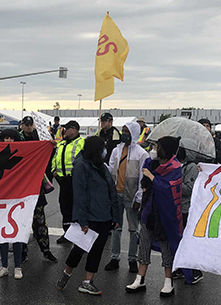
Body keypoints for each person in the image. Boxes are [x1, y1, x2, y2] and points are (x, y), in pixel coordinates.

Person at [56, 136, 122, 295]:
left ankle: (87, 281)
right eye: (102, 148)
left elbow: (111, 191)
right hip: (89, 217)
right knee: (80, 248)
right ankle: (67, 273)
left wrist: (116, 216)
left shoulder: (102, 166)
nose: (105, 151)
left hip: (104, 216)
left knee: (97, 250)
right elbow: (79, 196)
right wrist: (82, 220)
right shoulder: (81, 167)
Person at [125, 137, 183, 297]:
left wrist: (152, 177)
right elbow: (145, 183)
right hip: (148, 210)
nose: (154, 149)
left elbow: (168, 188)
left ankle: (168, 282)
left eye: (158, 147)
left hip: (165, 214)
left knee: (166, 248)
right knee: (143, 245)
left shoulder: (174, 167)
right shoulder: (151, 163)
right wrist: (146, 182)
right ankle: (140, 279)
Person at [103, 122, 149, 272]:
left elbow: (144, 178)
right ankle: (114, 257)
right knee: (116, 227)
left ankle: (132, 259)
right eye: (122, 131)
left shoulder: (141, 153)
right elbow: (111, 169)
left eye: (126, 131)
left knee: (133, 229)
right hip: (116, 194)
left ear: (134, 133)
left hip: (131, 196)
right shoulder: (117, 150)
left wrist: (139, 198)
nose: (124, 134)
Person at [18, 116, 58, 263]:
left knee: (40, 220)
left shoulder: (41, 138)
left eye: (30, 125)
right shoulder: (17, 138)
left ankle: (46, 250)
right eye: (26, 125)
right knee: (21, 222)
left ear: (33, 126)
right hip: (21, 186)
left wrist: (52, 147)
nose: (28, 127)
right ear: (22, 126)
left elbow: (50, 156)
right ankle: (22, 252)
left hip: (36, 184)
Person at [0, 129, 27, 279]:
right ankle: (4, 266)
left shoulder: (23, 154)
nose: (8, 141)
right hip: (1, 198)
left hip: (18, 198)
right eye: (6, 138)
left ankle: (18, 267)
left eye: (11, 138)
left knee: (17, 233)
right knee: (3, 234)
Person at [172, 146, 204, 284]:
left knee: (188, 241)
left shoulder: (190, 168)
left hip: (187, 209)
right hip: (179, 208)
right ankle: (182, 268)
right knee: (180, 241)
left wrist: (173, 184)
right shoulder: (179, 166)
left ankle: (196, 271)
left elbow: (189, 189)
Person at [52, 120, 85, 243]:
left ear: (75, 130)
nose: (64, 130)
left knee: (77, 208)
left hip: (76, 181)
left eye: (67, 128)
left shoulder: (82, 143)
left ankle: (78, 234)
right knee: (64, 206)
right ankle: (67, 233)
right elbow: (55, 158)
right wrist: (54, 170)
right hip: (63, 181)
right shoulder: (61, 144)